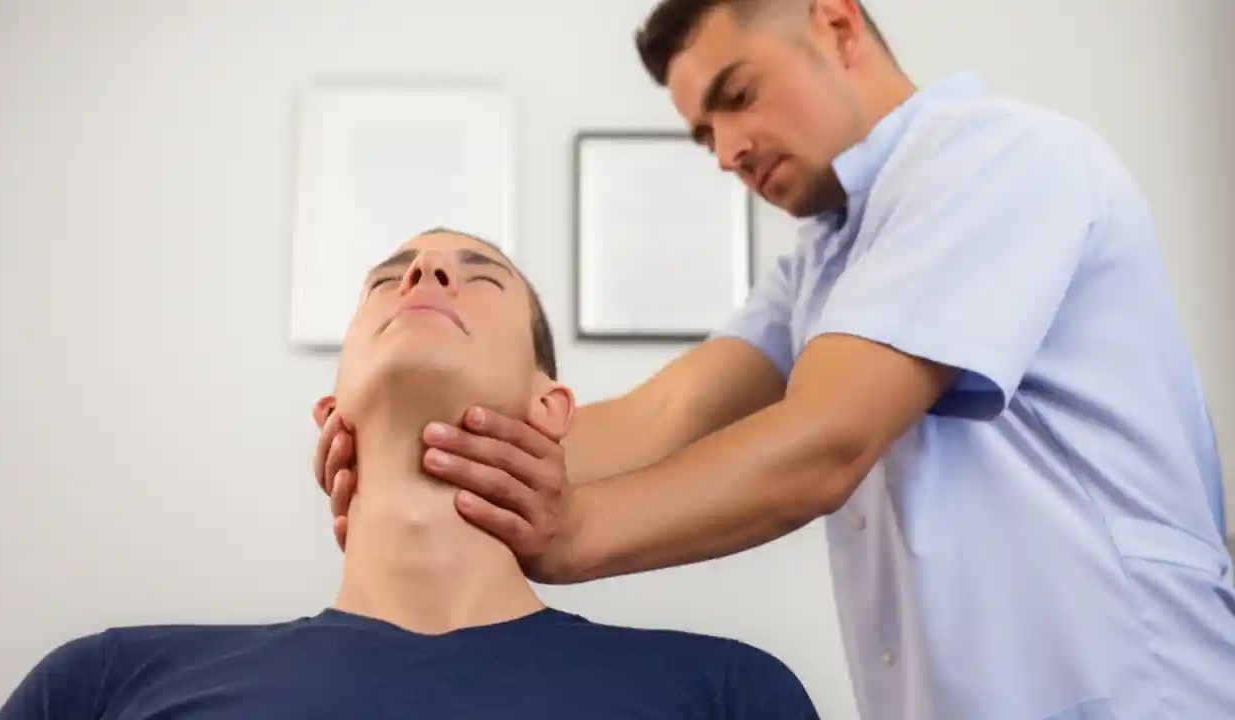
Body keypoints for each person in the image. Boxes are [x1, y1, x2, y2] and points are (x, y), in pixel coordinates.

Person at [316, 2, 1235, 719]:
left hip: (1135, 690)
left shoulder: (996, 157)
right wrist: (411, 444)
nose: (725, 152)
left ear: (836, 23)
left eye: (737, 96)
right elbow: (664, 415)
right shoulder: (823, 265)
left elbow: (825, 442)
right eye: (703, 133)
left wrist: (574, 531)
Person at [0, 230, 819, 720]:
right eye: (388, 280)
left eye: (478, 274)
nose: (422, 277)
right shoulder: (105, 686)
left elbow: (821, 438)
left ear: (553, 408)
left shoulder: (725, 696)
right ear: (332, 412)